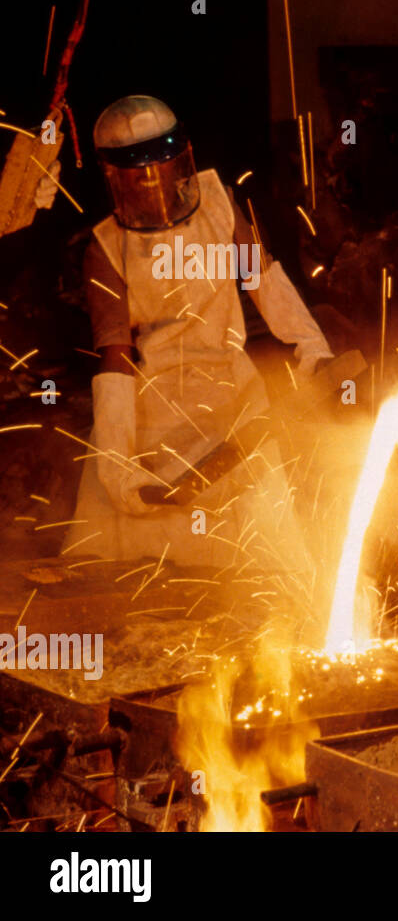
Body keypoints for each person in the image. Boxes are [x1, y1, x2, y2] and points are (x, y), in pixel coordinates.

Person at [64, 95, 332, 572]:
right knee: (123, 567)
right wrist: (118, 470)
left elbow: (264, 281)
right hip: (152, 416)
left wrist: (314, 352)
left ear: (179, 161)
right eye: (138, 174)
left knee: (263, 556)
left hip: (233, 405)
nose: (153, 181)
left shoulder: (219, 207)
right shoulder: (105, 247)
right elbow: (117, 359)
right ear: (113, 178)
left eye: (161, 166)